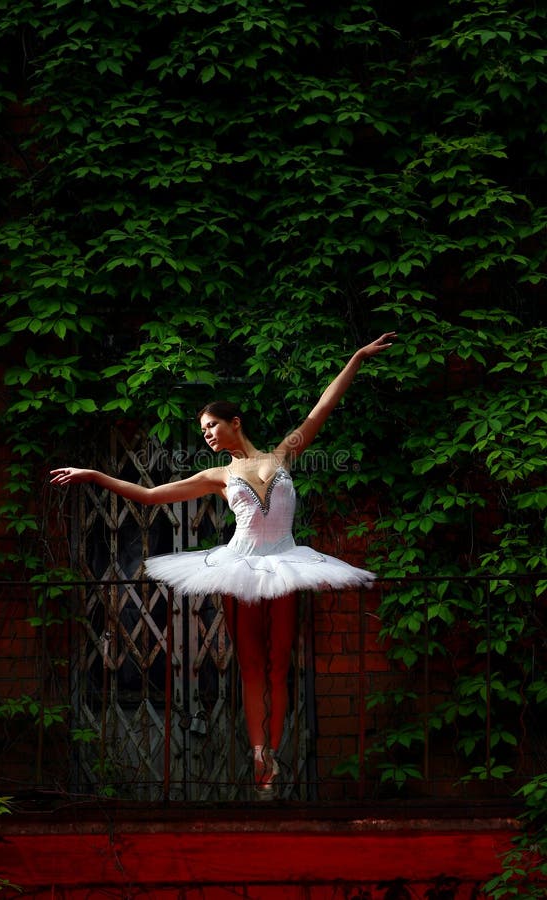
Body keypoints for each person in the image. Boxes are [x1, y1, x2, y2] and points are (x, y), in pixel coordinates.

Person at [50, 332, 395, 798]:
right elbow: (151, 497)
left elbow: (321, 409)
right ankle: (261, 758)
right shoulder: (216, 476)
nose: (207, 434)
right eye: (204, 430)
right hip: (240, 565)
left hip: (288, 562)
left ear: (235, 422)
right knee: (252, 666)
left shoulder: (283, 453)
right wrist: (92, 475)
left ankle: (272, 749)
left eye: (212, 425)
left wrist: (356, 356)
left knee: (279, 664)